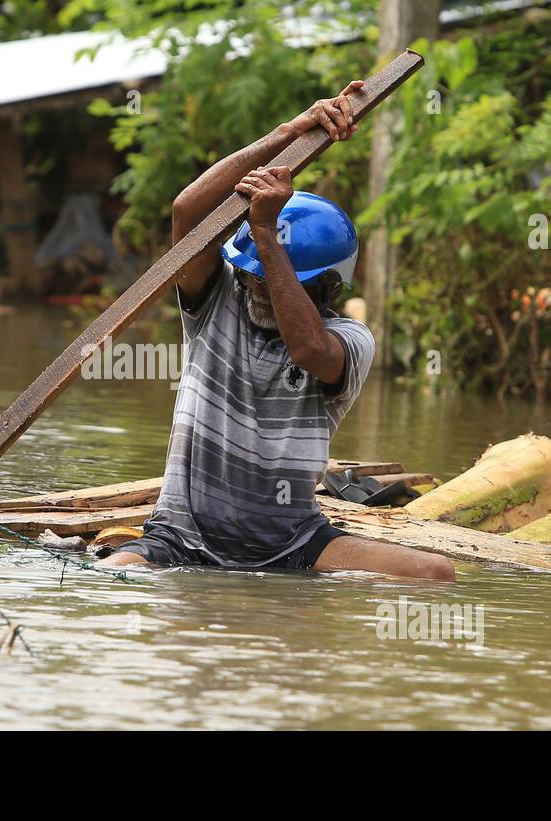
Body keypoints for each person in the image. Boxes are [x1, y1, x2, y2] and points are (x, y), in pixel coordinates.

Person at [99, 80, 455, 581]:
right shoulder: (216, 300)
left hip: (292, 541)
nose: (259, 289)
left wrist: (265, 234)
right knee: (114, 580)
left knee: (434, 573)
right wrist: (289, 132)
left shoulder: (352, 340)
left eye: (277, 278)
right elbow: (188, 213)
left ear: (330, 288)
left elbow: (309, 349)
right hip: (180, 537)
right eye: (253, 276)